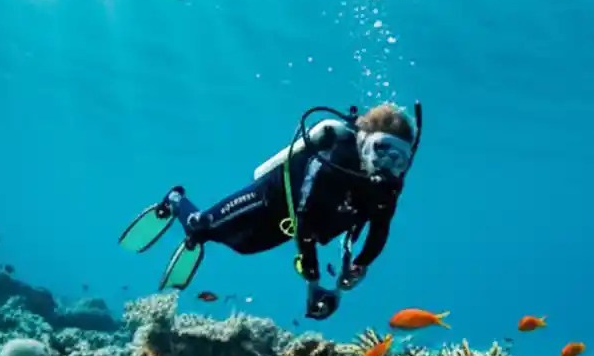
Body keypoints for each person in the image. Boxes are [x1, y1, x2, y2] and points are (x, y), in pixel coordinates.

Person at [118, 102, 421, 320]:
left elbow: (380, 228)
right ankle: (174, 202)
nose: (389, 165)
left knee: (244, 247)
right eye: (383, 150)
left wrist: (361, 264)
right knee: (202, 226)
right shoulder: (333, 161)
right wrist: (314, 285)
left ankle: (196, 232)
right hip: (270, 198)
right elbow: (304, 222)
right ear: (364, 142)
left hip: (296, 222)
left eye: (400, 158)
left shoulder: (389, 186)